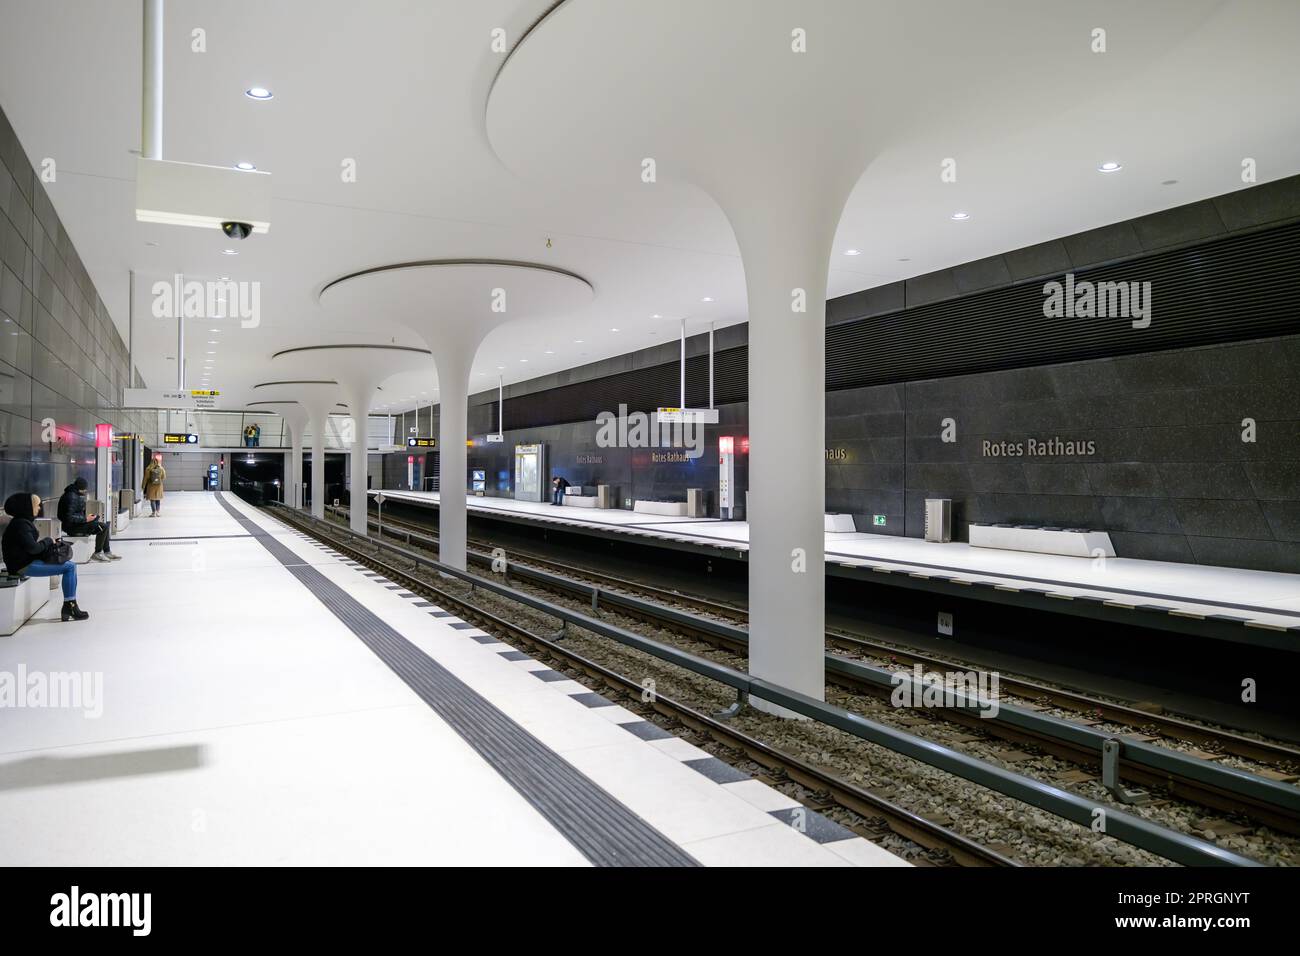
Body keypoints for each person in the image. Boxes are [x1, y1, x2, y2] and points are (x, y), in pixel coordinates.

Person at [2, 492, 88, 621]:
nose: (39, 508)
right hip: (22, 566)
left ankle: (70, 605)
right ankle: (70, 606)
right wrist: (48, 541)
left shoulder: (21, 522)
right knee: (69, 567)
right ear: (26, 507)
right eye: (36, 506)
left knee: (70, 566)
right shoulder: (21, 525)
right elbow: (33, 548)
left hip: (24, 562)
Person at [57, 477, 119, 562]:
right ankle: (97, 553)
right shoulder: (71, 497)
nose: (86, 491)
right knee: (103, 527)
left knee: (103, 525)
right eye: (85, 489)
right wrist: (86, 519)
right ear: (81, 488)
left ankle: (106, 551)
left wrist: (88, 518)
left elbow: (75, 514)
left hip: (75, 524)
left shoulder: (74, 494)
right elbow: (69, 517)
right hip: (71, 527)